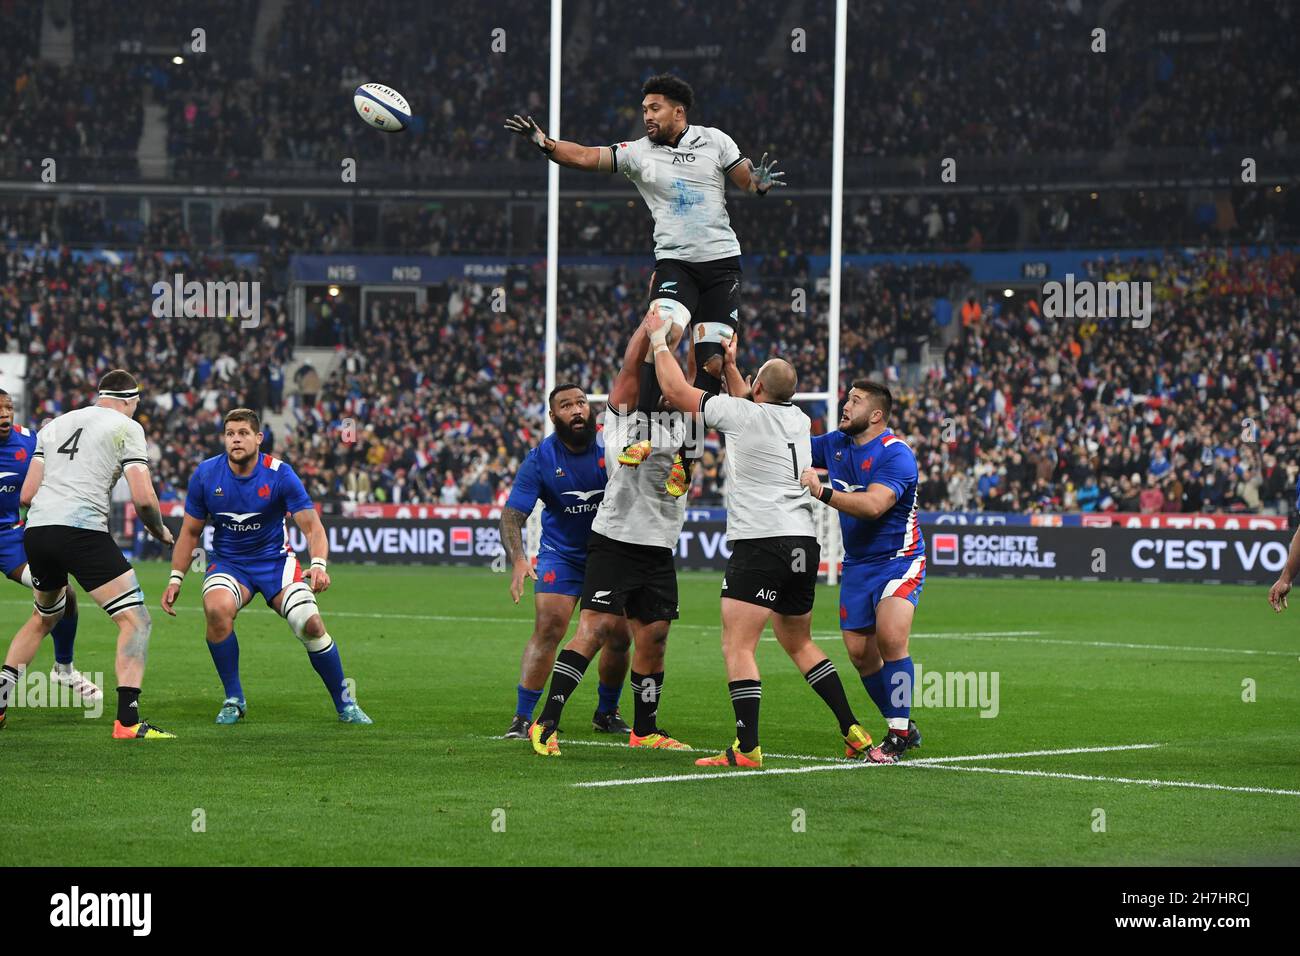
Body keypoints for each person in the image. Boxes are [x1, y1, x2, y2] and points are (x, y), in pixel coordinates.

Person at [506, 72, 784, 493]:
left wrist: (758, 183)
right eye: (644, 110)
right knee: (664, 332)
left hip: (722, 268)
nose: (647, 117)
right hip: (675, 265)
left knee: (711, 362)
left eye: (654, 109)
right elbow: (585, 156)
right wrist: (547, 145)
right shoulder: (638, 152)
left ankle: (687, 459)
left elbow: (746, 179)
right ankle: (645, 436)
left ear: (678, 111)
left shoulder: (715, 141)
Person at [644, 309, 873, 768]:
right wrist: (730, 367)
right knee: (798, 642)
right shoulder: (799, 420)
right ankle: (854, 730)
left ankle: (746, 749)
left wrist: (659, 342)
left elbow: (673, 390)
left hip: (761, 540)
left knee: (738, 645)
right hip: (803, 544)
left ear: (759, 388)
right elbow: (753, 400)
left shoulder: (743, 414)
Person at [528, 324, 689, 756]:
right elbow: (628, 364)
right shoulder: (620, 415)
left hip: (658, 545)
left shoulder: (682, 421)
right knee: (595, 629)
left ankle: (645, 729)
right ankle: (546, 723)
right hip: (615, 539)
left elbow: (693, 381)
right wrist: (650, 328)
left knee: (654, 639)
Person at [160, 408, 371, 726]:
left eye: (243, 433)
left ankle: (346, 705)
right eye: (230, 433)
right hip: (230, 564)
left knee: (310, 624)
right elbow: (190, 532)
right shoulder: (206, 474)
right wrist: (176, 578)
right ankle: (234, 698)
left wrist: (318, 564)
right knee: (216, 610)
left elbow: (312, 527)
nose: (236, 439)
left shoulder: (280, 474)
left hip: (275, 562)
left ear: (258, 438)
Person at [0, 370, 175, 738]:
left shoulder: (55, 425)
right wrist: (158, 529)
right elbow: (143, 498)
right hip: (81, 531)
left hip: (37, 531)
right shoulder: (127, 427)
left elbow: (28, 495)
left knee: (43, 617)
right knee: (135, 621)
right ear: (132, 400)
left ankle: (0, 703)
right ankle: (127, 722)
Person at [800, 381, 925, 763]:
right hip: (857, 565)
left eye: (855, 401)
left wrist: (821, 492)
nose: (845, 404)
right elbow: (787, 437)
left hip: (898, 560)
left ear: (876, 415)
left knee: (890, 639)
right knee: (860, 654)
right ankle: (901, 720)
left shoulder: (896, 454)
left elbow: (873, 506)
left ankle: (898, 734)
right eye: (847, 398)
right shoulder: (836, 444)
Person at [498, 383, 630, 739]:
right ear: (553, 415)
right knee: (550, 627)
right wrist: (519, 559)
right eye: (566, 405)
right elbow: (511, 516)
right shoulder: (540, 458)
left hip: (612, 552)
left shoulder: (612, 445)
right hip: (563, 554)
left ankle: (606, 712)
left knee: (619, 637)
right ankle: (523, 718)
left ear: (591, 409)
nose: (576, 410)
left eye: (581, 403)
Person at [0, 389, 98, 701]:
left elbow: (54, 467)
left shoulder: (28, 441)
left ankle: (64, 669)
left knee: (63, 592)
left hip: (11, 539)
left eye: (8, 408)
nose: (4, 414)